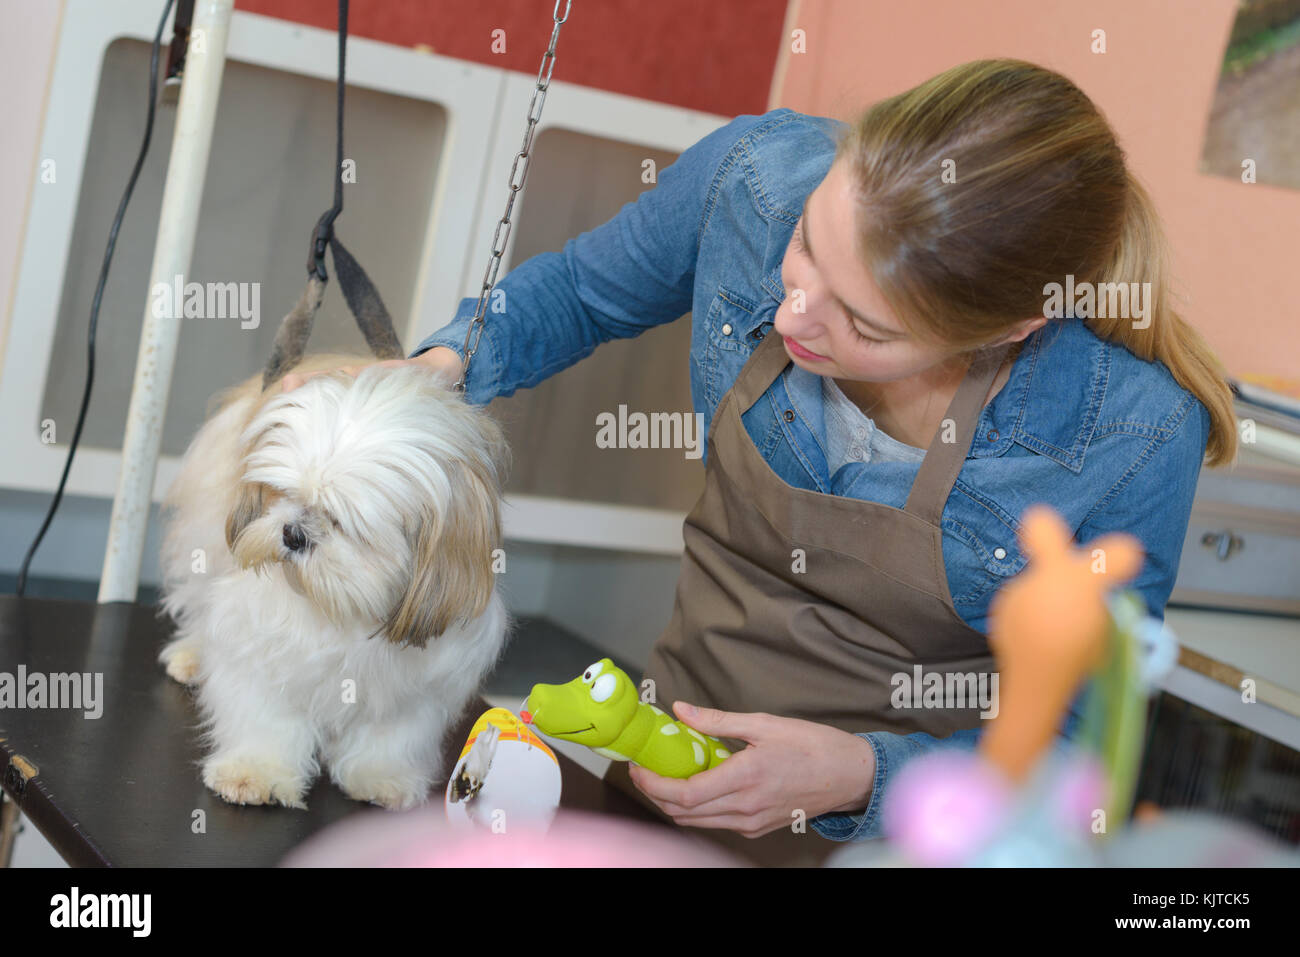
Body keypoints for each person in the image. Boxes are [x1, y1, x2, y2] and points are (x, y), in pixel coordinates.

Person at [283, 59, 1237, 865]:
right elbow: (578, 292)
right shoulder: (758, 176)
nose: (791, 315)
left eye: (863, 322)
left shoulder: (1133, 436)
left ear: (1014, 330)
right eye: (807, 246)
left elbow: (1078, 752)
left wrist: (856, 772)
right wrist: (440, 369)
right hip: (662, 779)